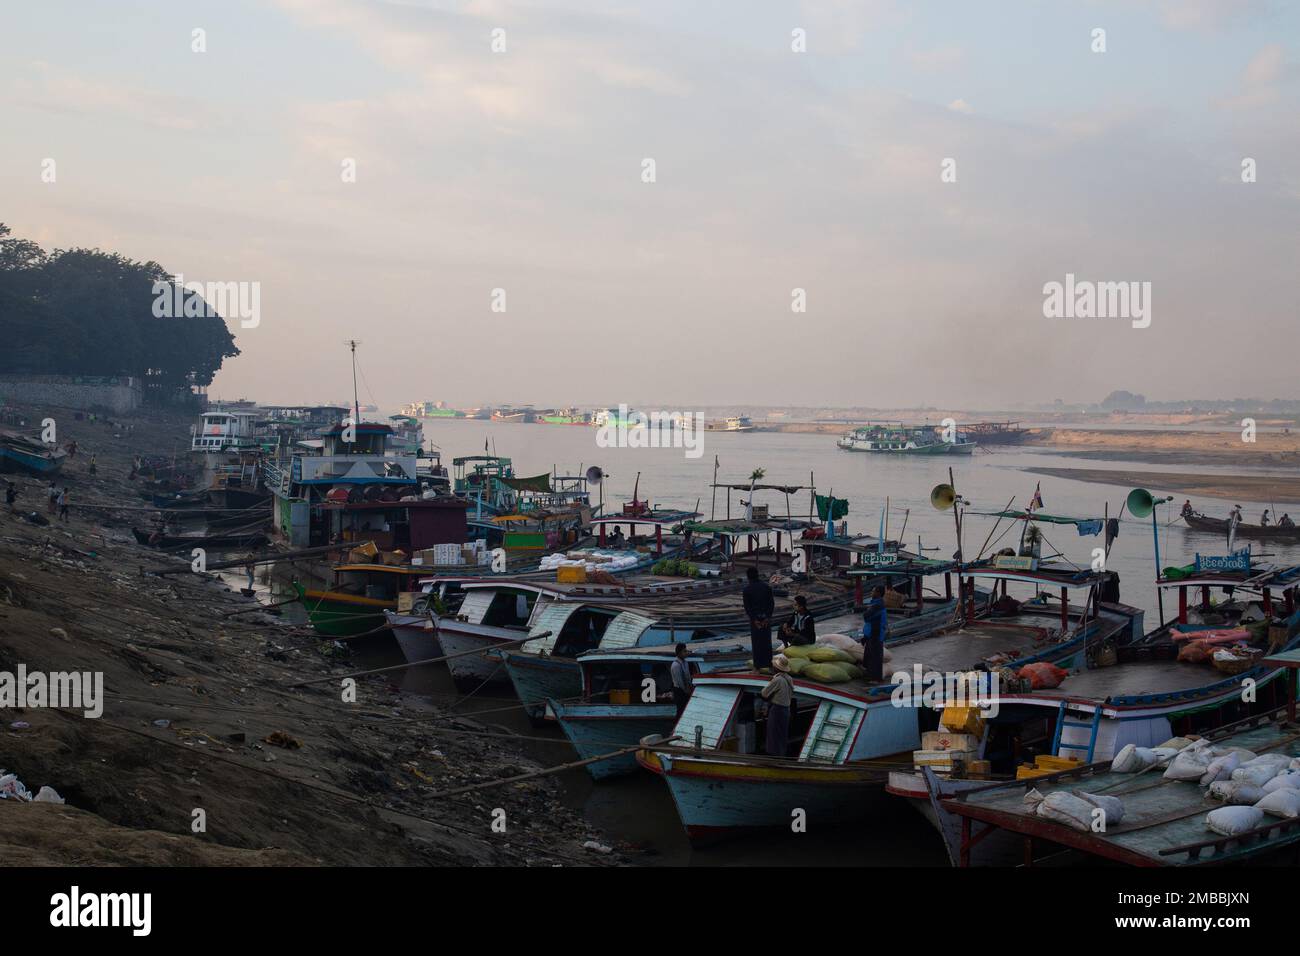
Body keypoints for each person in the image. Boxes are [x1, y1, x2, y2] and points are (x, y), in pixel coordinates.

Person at [760, 654, 795, 757]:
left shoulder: (777, 680)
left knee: (773, 734)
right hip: (786, 710)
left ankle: (774, 757)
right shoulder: (789, 678)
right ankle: (781, 755)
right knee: (781, 735)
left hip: (777, 710)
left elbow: (764, 693)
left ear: (776, 668)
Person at [742, 565, 775, 673]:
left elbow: (748, 607)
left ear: (748, 577)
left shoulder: (747, 590)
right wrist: (767, 618)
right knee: (767, 642)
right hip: (765, 618)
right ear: (757, 574)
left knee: (756, 643)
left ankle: (757, 667)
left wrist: (754, 620)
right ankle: (770, 666)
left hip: (755, 620)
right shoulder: (766, 587)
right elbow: (771, 604)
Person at [860, 586, 888, 681]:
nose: (871, 592)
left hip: (875, 634)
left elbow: (866, 616)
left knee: (875, 657)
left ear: (878, 593)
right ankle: (869, 674)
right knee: (868, 656)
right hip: (871, 633)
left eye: (873, 591)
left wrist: (867, 610)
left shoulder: (878, 605)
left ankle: (875, 679)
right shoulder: (875, 603)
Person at [669, 642, 692, 717]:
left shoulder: (685, 663)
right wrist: (686, 690)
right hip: (679, 690)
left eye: (686, 651)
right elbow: (679, 681)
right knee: (680, 709)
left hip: (686, 688)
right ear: (679, 653)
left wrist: (690, 686)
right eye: (684, 651)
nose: (686, 653)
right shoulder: (675, 665)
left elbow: (688, 676)